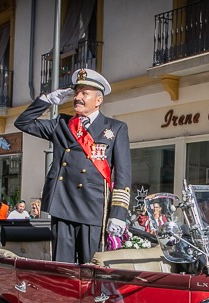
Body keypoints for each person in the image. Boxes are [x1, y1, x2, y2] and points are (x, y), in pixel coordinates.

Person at [15, 68, 132, 264]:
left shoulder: (115, 128)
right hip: (63, 205)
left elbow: (123, 174)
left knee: (92, 269)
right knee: (63, 269)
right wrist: (46, 99)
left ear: (98, 100)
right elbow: (23, 122)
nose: (78, 97)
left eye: (84, 93)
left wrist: (119, 214)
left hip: (93, 209)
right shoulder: (61, 124)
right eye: (76, 92)